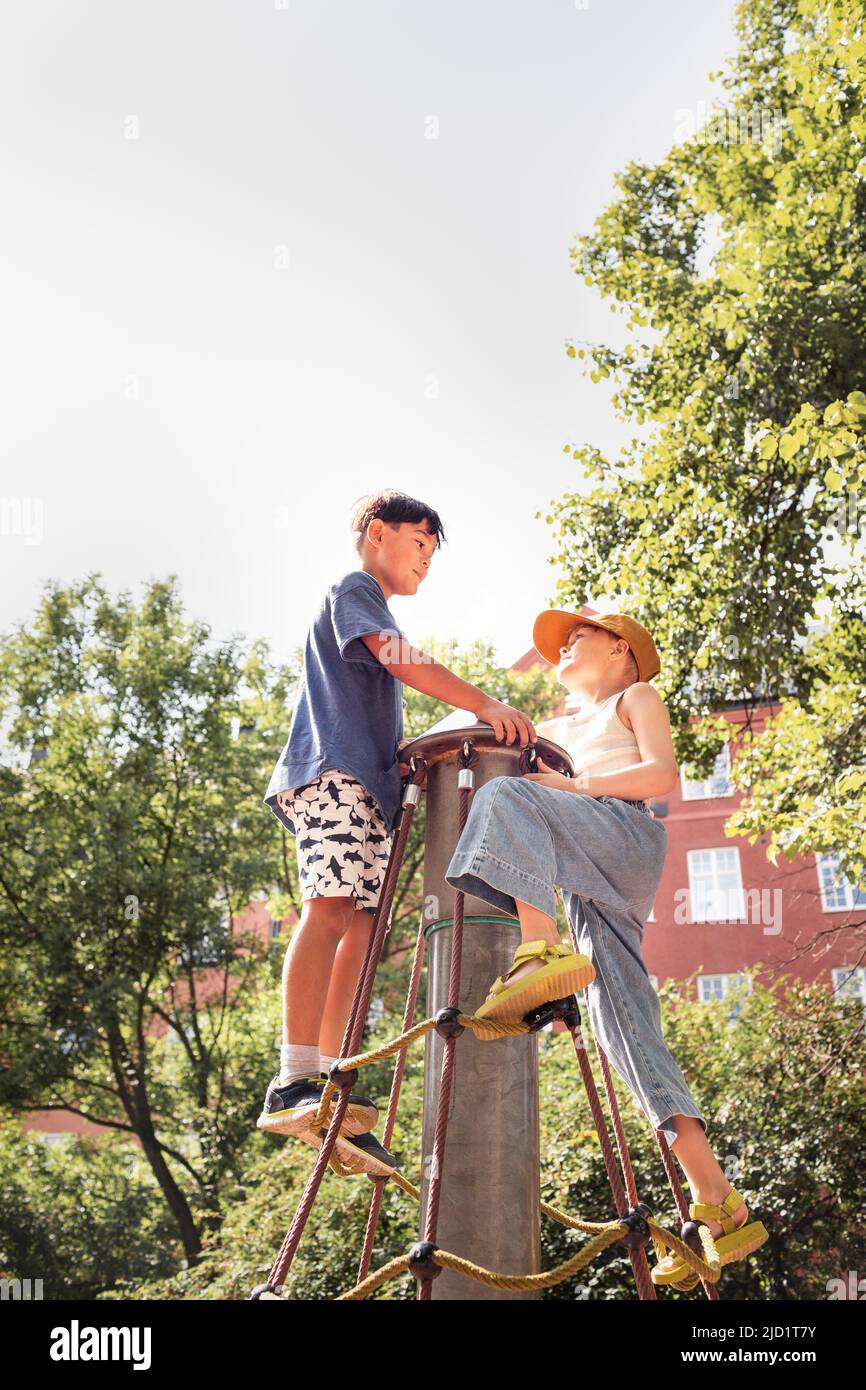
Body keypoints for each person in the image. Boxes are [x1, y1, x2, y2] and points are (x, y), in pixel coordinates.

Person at [444, 607, 768, 1284]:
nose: (563, 648)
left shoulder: (634, 696)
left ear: (621, 649)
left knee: (505, 797)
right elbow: (485, 735)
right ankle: (717, 1200)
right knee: (624, 1028)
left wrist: (574, 785)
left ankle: (539, 944)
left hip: (624, 834)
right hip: (590, 871)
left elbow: (658, 776)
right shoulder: (557, 728)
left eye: (578, 638)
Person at [257, 489, 537, 1179]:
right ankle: (293, 1075)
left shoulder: (370, 608)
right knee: (329, 914)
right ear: (377, 534)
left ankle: (329, 1078)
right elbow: (399, 656)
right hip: (336, 778)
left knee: (361, 930)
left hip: (371, 791)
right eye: (420, 546)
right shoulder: (355, 590)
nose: (426, 564)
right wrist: (483, 703)